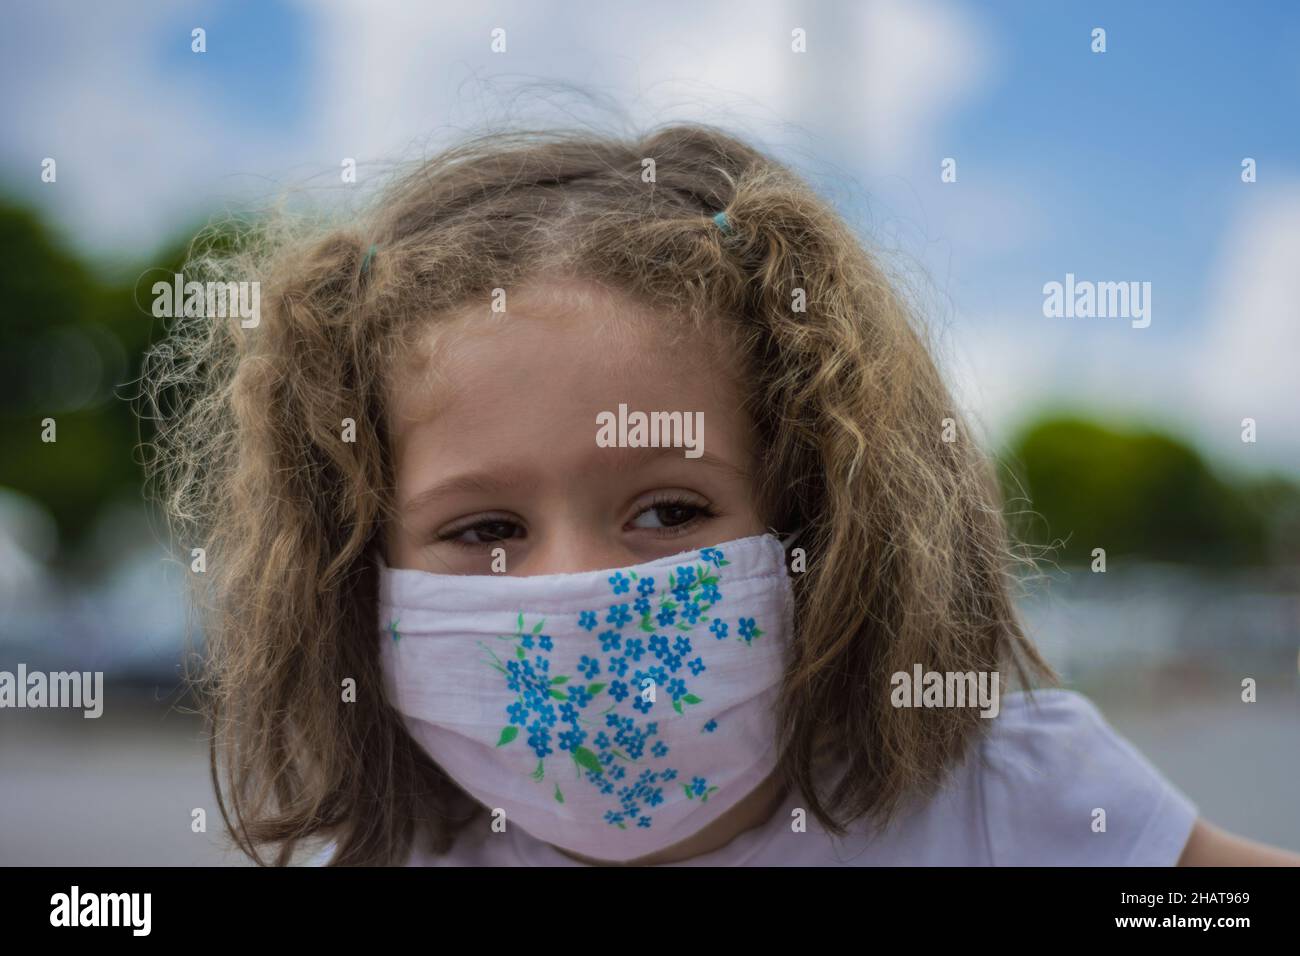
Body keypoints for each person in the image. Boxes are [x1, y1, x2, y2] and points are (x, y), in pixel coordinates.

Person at [144, 123, 1299, 866]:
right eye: (484, 528)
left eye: (667, 509)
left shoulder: (1016, 799)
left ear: (815, 515)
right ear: (356, 571)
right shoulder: (398, 853)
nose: (579, 586)